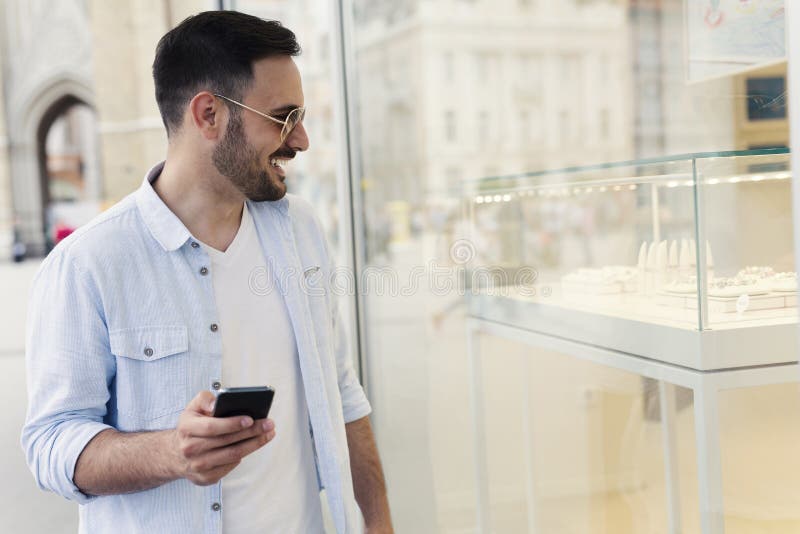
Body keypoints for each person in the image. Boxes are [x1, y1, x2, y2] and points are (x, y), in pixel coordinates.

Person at [21, 11, 393, 534]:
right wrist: (172, 453)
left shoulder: (301, 230)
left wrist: (378, 525)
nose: (302, 139)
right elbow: (50, 444)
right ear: (209, 114)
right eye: (284, 117)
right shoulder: (89, 264)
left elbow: (341, 394)